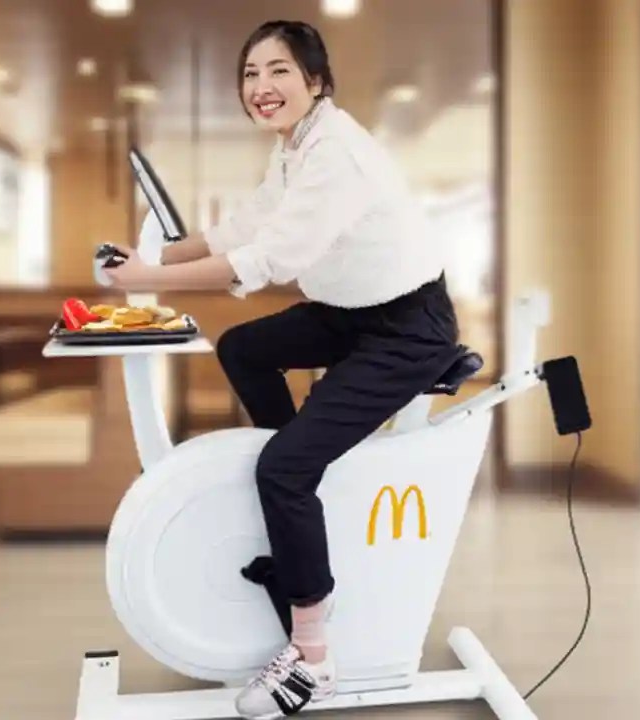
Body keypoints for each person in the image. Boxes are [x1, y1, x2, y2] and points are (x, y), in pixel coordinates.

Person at [102, 19, 460, 719]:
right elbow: (245, 225)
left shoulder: (337, 157)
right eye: (250, 74)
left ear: (316, 81)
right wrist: (150, 259)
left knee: (282, 470)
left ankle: (313, 658)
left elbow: (270, 260)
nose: (261, 88)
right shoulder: (296, 147)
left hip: (406, 330)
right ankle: (300, 494)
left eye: (279, 72)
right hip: (349, 312)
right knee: (243, 350)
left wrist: (152, 275)